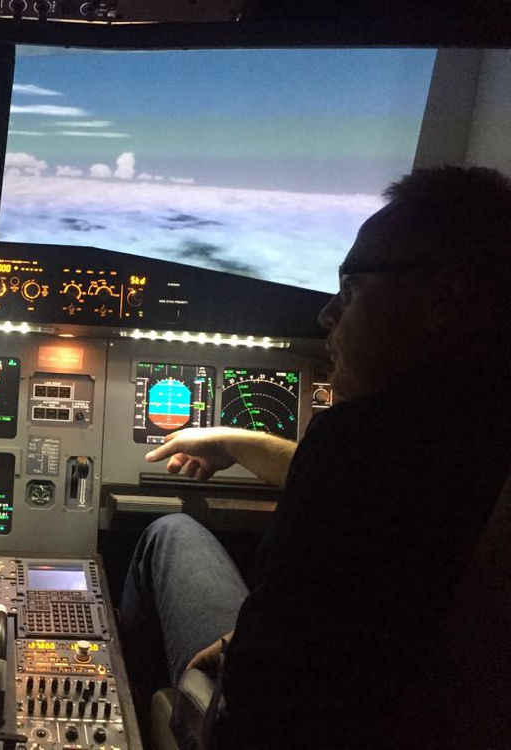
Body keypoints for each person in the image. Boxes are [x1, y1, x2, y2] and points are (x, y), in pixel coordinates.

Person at [121, 166, 511, 748]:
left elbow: (272, 699)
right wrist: (233, 440)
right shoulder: (468, 429)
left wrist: (231, 651)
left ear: (444, 298)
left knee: (169, 533)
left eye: (351, 290)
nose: (328, 315)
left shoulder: (364, 441)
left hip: (264, 726)